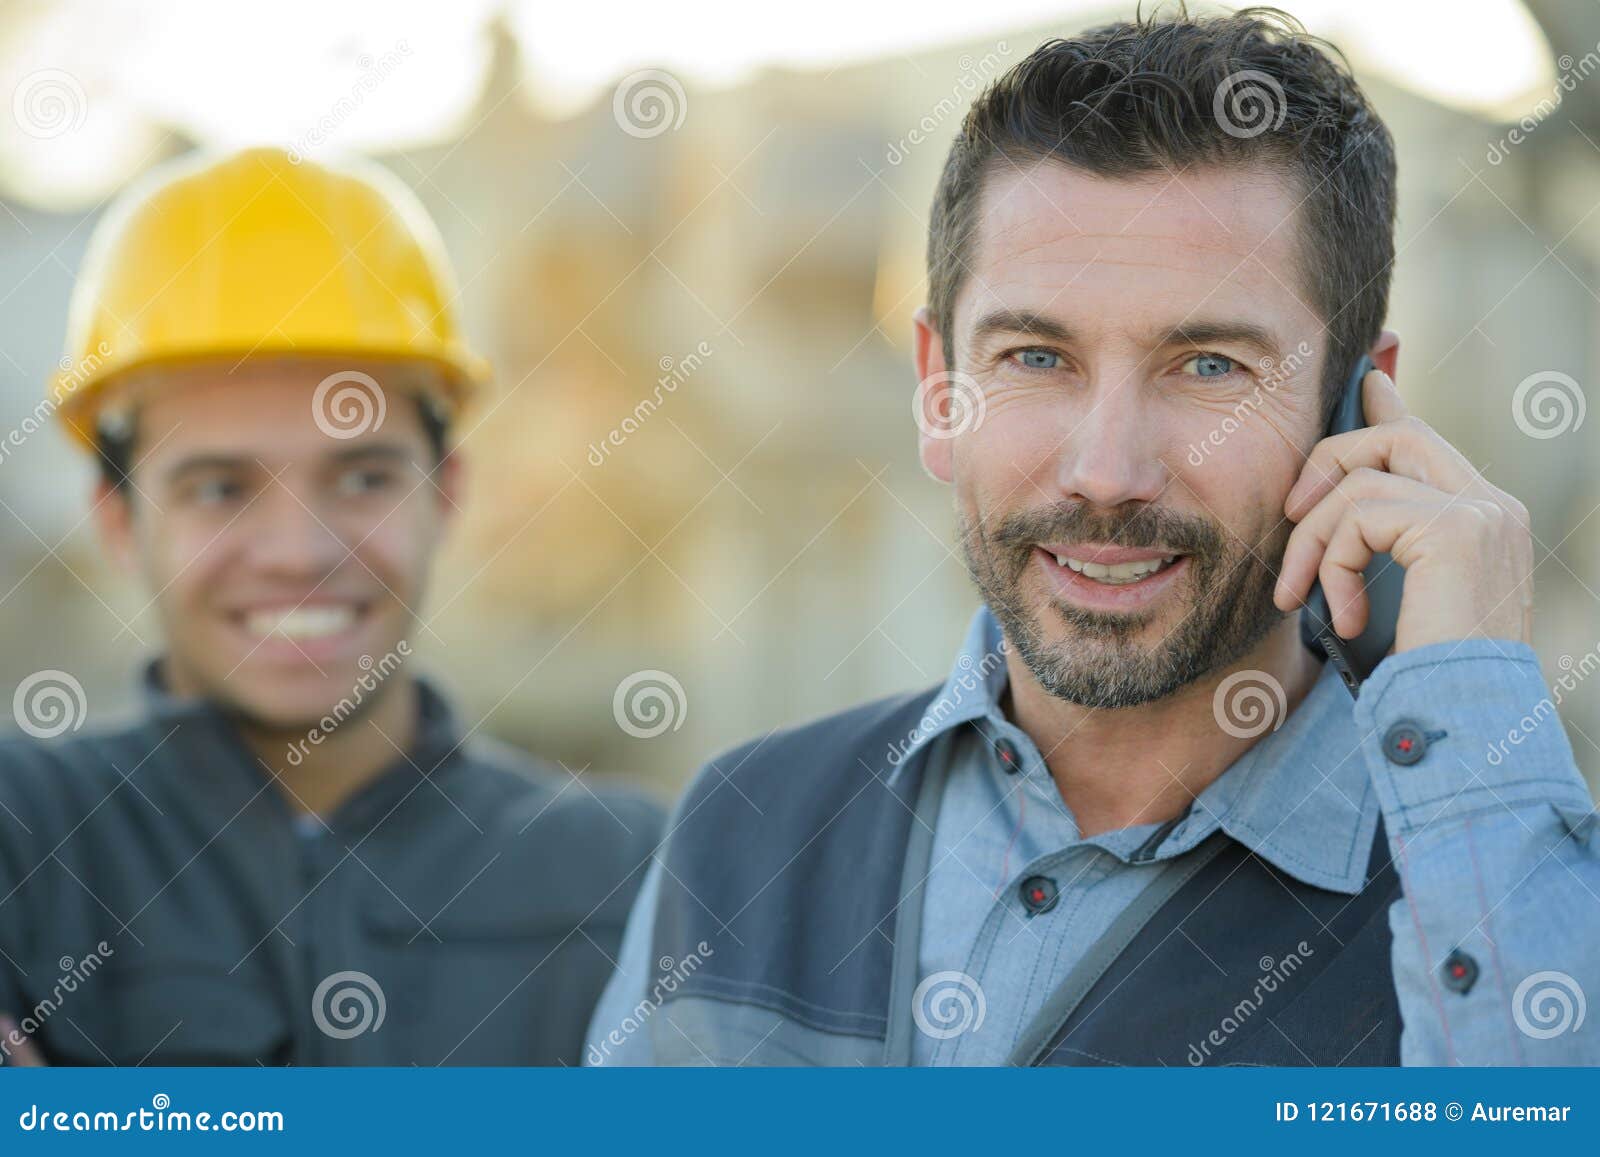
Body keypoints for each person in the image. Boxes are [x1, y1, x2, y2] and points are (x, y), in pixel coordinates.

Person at [586, 9, 1599, 1066]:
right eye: (1036, 357)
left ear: (1355, 404)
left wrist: (1472, 698)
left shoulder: (1486, 879)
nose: (1107, 471)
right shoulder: (745, 832)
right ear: (940, 390)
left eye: (1209, 365)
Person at [0, 147, 661, 1066]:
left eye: (361, 478)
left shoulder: (633, 877)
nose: (300, 553)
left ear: (447, 493)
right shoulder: (25, 843)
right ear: (118, 518)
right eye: (219, 488)